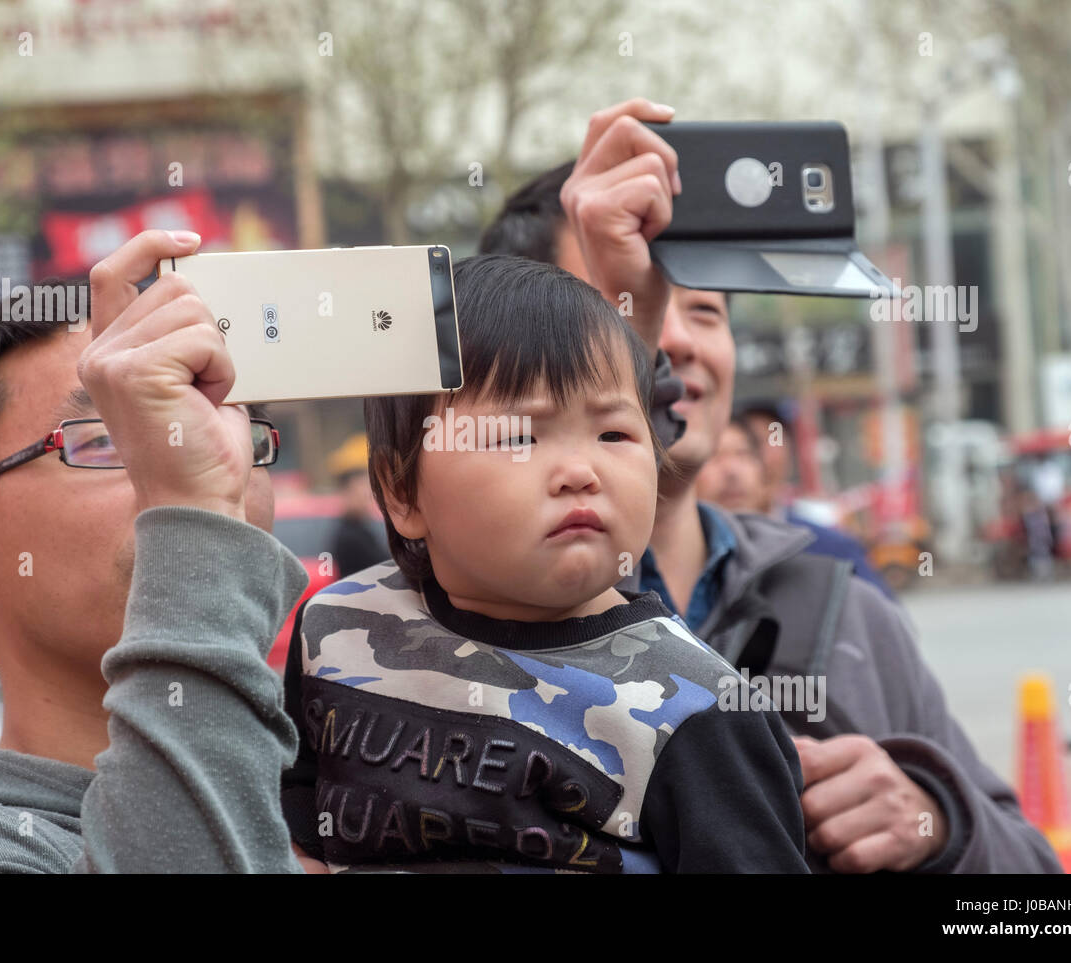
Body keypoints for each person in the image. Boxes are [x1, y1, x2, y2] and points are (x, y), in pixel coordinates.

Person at [483, 97, 1060, 873]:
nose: (676, 338)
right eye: (625, 296)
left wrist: (933, 822)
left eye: (706, 309)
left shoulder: (846, 607)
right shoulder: (443, 630)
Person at [281, 255, 809, 873]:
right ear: (401, 492)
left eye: (614, 435)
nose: (580, 472)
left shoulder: (697, 710)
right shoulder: (336, 628)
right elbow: (294, 825)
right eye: (519, 437)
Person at [0, 231, 313, 873]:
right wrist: (192, 517)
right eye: (108, 438)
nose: (205, 468)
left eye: (221, 431)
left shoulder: (360, 813)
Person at [737, 401, 894, 599]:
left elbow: (882, 621)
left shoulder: (831, 549)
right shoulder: (699, 553)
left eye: (764, 442)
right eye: (739, 449)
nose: (737, 468)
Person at [326, 433, 390, 577]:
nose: (369, 492)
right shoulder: (349, 536)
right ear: (347, 490)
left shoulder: (360, 528)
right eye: (363, 484)